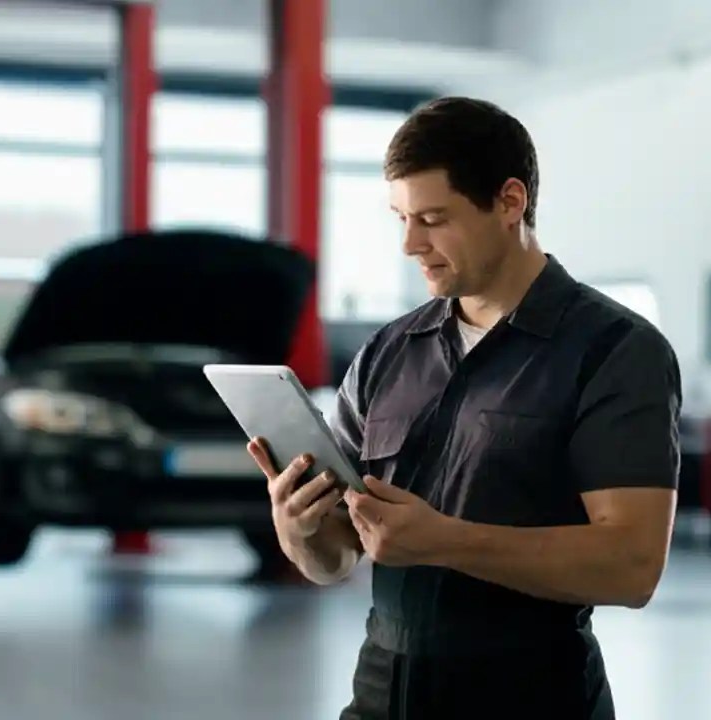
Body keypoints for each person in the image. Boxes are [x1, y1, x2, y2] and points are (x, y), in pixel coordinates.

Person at [246, 96, 681, 719]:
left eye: (432, 218)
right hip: (379, 694)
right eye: (400, 217)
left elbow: (633, 567)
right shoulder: (386, 352)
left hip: (532, 697)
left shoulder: (616, 351)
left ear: (510, 202)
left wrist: (445, 541)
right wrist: (300, 530)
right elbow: (337, 556)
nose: (410, 244)